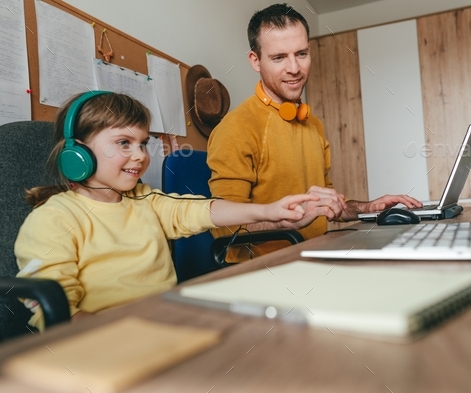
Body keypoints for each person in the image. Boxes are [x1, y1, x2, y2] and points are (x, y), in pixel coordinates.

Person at [14, 91, 317, 330]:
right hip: (104, 342)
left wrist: (269, 211)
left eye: (143, 143)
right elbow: (55, 310)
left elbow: (200, 211)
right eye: (123, 142)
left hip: (164, 323)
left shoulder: (143, 199)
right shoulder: (53, 219)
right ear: (77, 153)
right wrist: (130, 336)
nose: (140, 156)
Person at [207, 3, 422, 261]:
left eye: (301, 53)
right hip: (265, 270)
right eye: (278, 57)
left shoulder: (313, 124)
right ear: (255, 60)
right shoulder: (235, 128)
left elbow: (328, 204)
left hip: (315, 255)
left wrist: (366, 207)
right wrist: (293, 217)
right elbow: (224, 229)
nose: (294, 68)